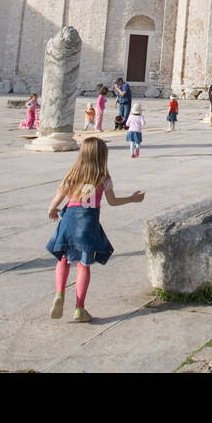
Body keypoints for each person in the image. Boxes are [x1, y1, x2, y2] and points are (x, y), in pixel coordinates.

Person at [45, 137, 144, 323]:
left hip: (69, 220)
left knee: (63, 258)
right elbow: (113, 202)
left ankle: (59, 292)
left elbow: (59, 197)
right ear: (102, 156)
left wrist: (52, 209)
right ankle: (79, 308)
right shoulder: (103, 177)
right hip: (88, 224)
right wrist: (132, 198)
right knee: (83, 265)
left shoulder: (73, 174)